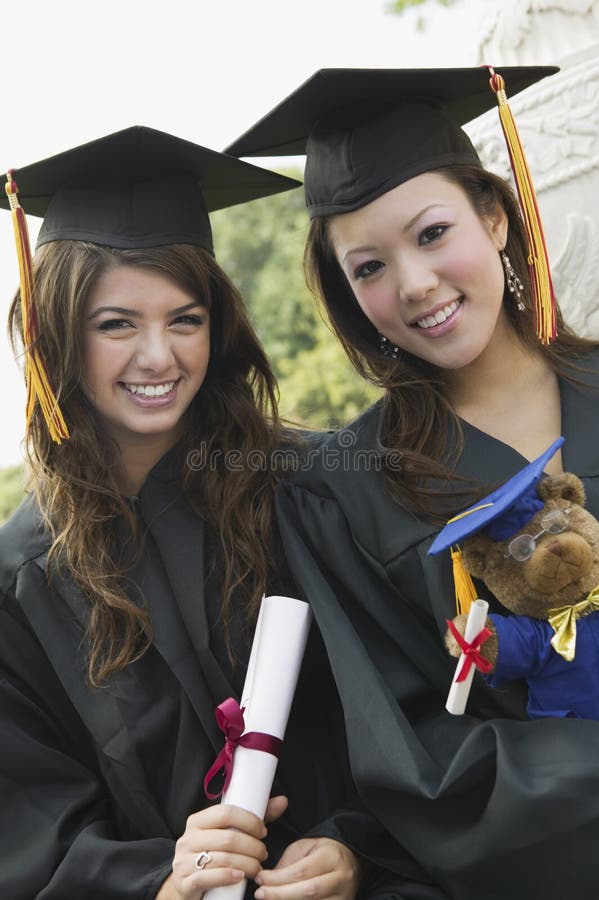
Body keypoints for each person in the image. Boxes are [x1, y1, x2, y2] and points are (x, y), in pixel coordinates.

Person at [225, 67, 599, 899]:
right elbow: (413, 750)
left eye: (431, 234)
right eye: (368, 268)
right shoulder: (343, 492)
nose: (413, 285)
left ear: (495, 217)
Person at [0, 127, 397, 900]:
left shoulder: (306, 487)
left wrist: (353, 847)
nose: (160, 357)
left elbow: (405, 710)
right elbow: (26, 821)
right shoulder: (23, 580)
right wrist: (159, 878)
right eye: (117, 324)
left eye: (185, 319)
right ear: (55, 334)